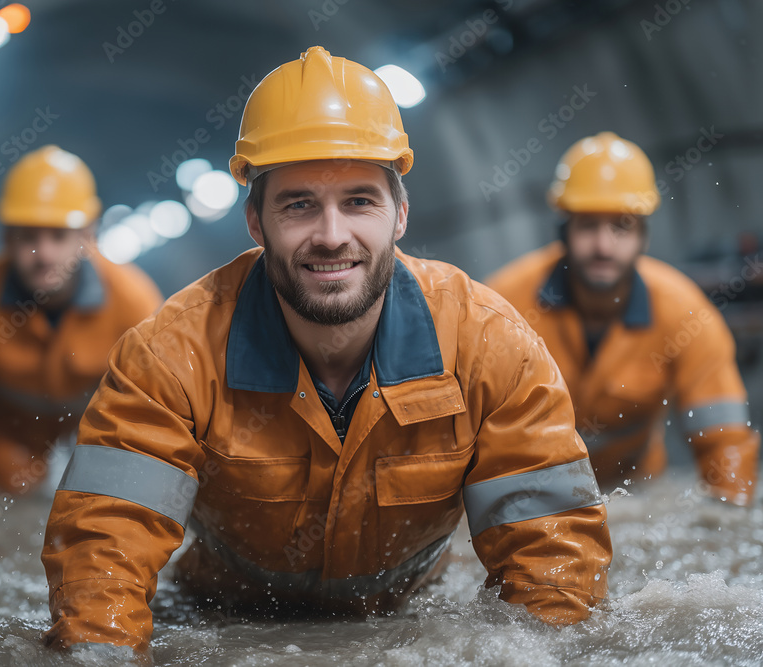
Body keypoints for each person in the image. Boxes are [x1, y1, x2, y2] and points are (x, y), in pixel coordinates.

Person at [41, 47, 612, 656]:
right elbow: (103, 556)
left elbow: (554, 568)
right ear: (256, 223)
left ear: (400, 215)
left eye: (360, 201)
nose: (332, 235)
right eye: (299, 204)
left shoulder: (490, 346)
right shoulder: (170, 357)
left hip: (409, 625)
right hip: (216, 622)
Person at [487, 132, 758, 504]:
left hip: (634, 497)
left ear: (644, 235)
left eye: (621, 226)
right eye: (588, 226)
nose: (603, 245)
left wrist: (728, 525)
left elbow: (723, 439)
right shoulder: (502, 304)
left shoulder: (684, 313)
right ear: (563, 230)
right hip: (526, 503)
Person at [0, 145, 162, 498]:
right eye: (29, 237)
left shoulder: (133, 302)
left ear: (88, 235)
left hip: (97, 433)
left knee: (101, 505)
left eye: (58, 236)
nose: (44, 255)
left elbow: (157, 422)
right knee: (12, 491)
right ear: (7, 237)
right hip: (15, 432)